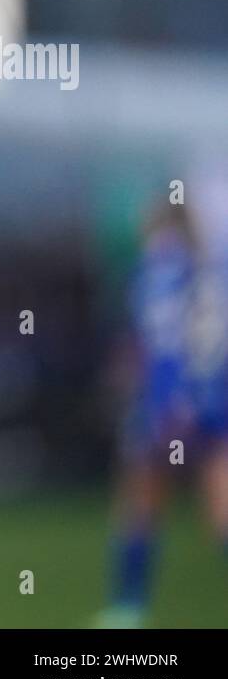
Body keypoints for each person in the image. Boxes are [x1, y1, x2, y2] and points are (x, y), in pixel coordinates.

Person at [96, 199, 228, 628]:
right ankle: (126, 609)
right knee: (215, 510)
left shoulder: (156, 272)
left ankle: (127, 609)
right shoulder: (208, 272)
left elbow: (151, 350)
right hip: (211, 405)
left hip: (167, 406)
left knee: (141, 507)